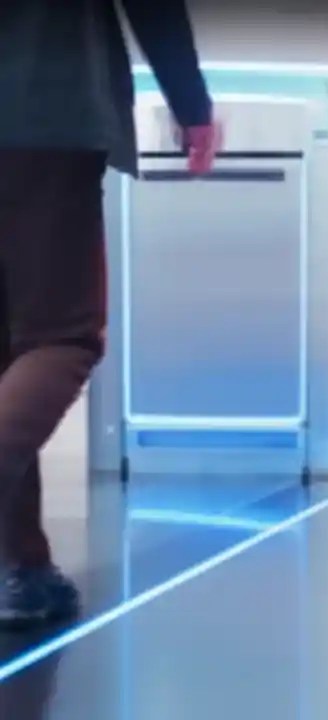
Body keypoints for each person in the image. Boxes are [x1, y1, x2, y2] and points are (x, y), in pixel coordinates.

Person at [0, 0, 216, 627]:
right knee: (62, 337)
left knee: (12, 350)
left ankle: (22, 567)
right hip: (43, 106)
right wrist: (191, 104)